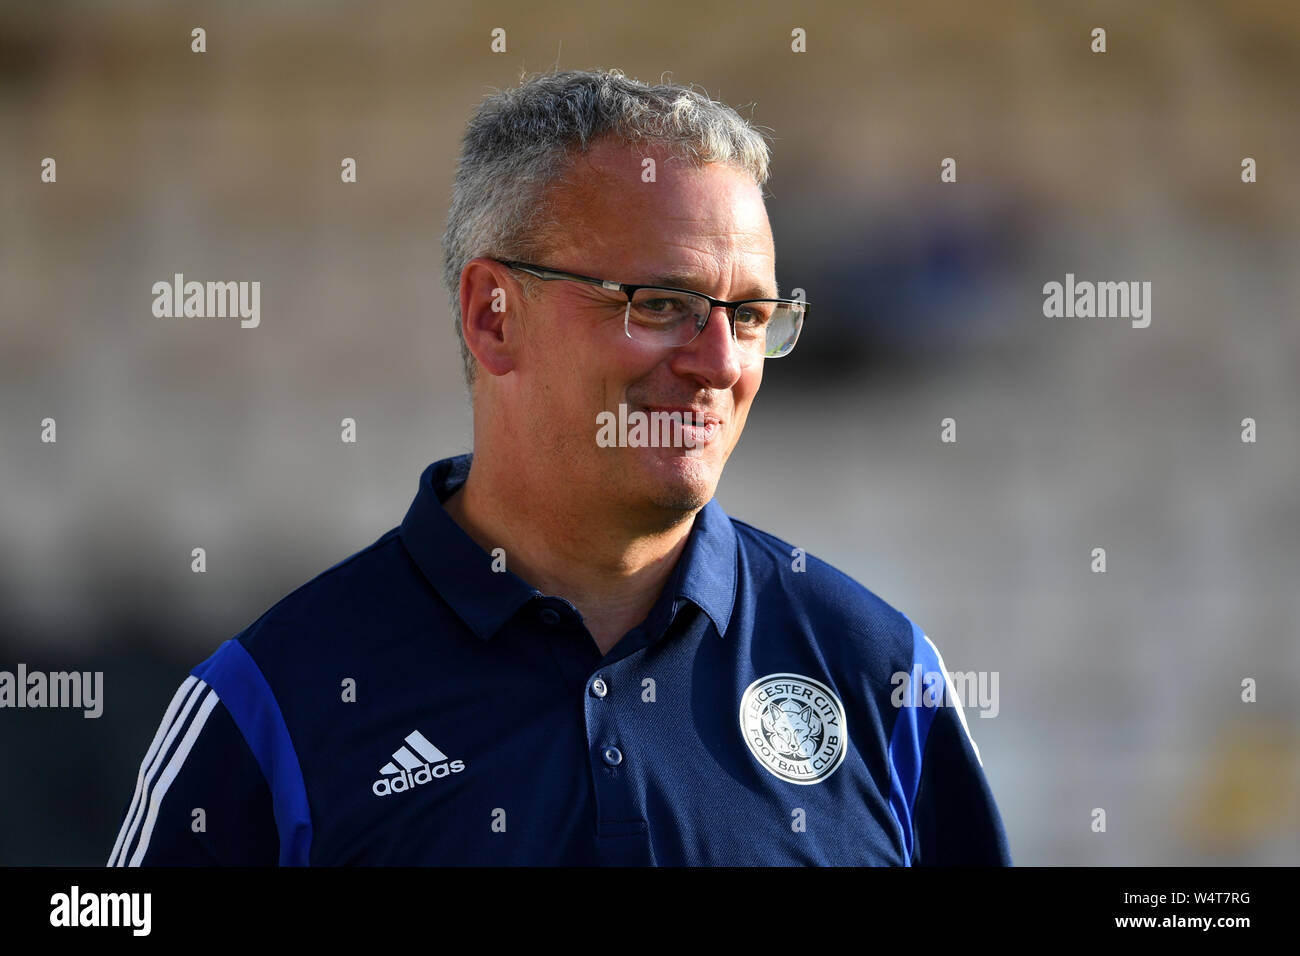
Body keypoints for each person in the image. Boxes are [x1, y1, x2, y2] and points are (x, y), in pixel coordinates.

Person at [108, 68, 1011, 866]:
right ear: (494, 316)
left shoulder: (880, 673)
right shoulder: (272, 703)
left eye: (748, 315)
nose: (720, 361)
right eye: (661, 304)